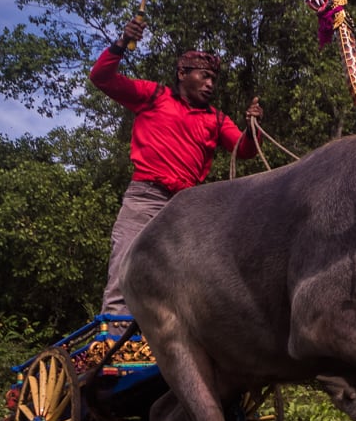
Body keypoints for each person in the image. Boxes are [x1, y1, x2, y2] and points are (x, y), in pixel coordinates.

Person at [90, 16, 263, 315]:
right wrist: (121, 43)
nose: (210, 84)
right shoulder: (154, 96)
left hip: (185, 208)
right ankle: (113, 351)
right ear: (182, 73)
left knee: (184, 283)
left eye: (213, 79)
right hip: (145, 198)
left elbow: (244, 150)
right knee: (123, 275)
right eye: (204, 76)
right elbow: (101, 78)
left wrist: (252, 127)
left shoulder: (216, 119)